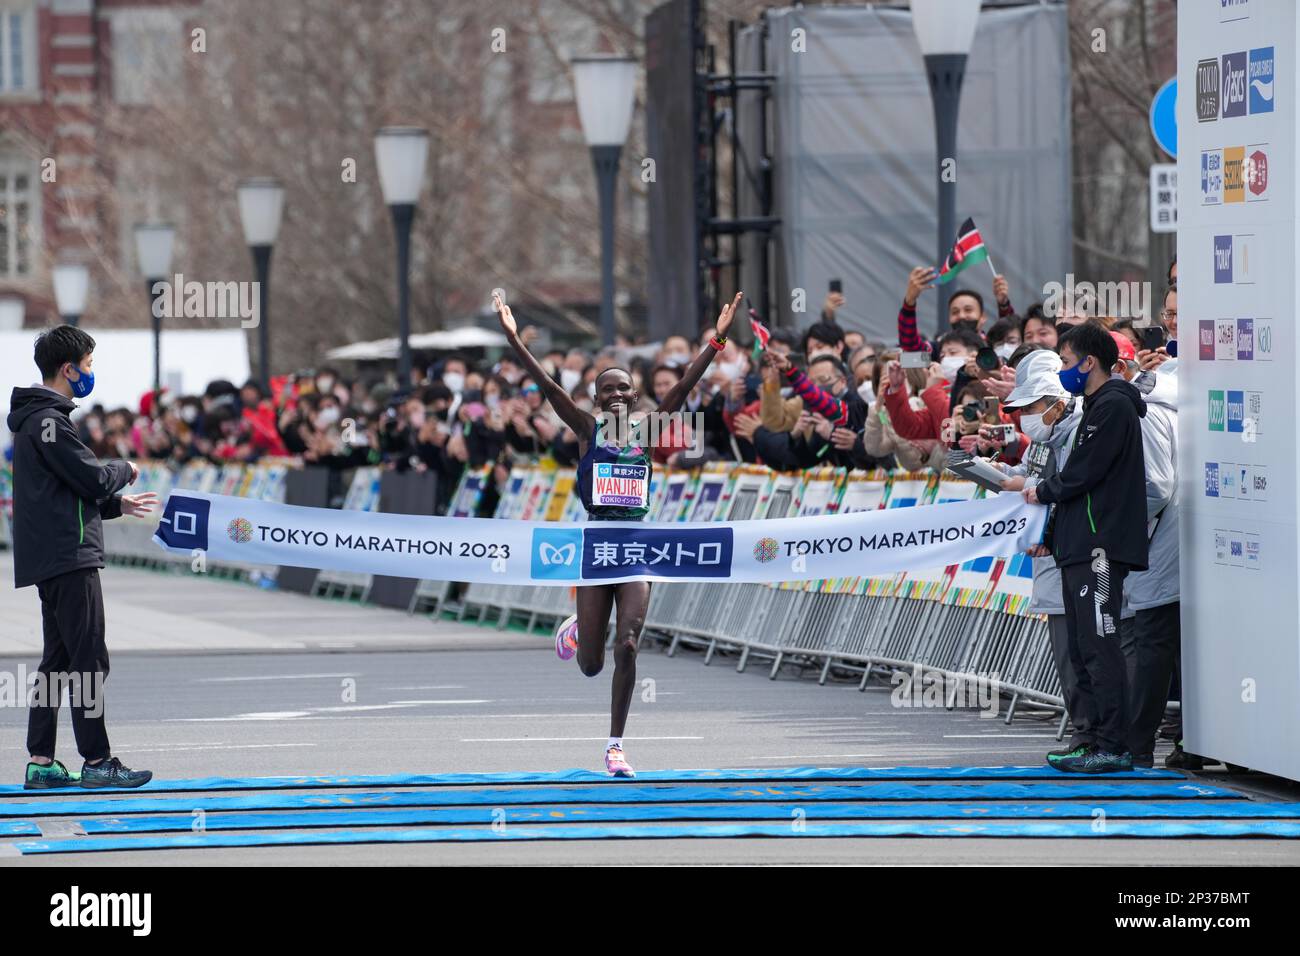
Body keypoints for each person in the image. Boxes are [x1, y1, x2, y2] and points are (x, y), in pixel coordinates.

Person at [496, 290, 742, 777]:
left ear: (634, 397)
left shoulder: (648, 429)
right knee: (590, 664)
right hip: (595, 547)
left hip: (637, 548)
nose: (614, 394)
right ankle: (575, 629)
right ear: (596, 400)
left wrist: (716, 341)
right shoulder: (587, 429)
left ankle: (615, 746)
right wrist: (513, 340)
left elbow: (684, 389)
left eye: (622, 388)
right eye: (605, 389)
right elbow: (548, 385)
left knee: (626, 643)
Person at [7, 326, 158, 789]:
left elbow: (61, 492)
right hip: (69, 558)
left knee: (57, 660)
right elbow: (91, 478)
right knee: (89, 660)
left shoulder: (38, 420)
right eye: (88, 366)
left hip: (52, 557)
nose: (91, 374)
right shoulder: (49, 421)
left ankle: (41, 761)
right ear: (68, 369)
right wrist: (125, 471)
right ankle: (97, 761)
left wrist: (115, 506)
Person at [1019, 323, 1149, 773]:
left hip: (1100, 547)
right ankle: (1090, 736)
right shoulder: (1096, 405)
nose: (1066, 372)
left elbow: (1085, 472)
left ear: (1089, 362)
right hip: (1079, 542)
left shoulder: (1112, 406)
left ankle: (1113, 743)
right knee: (1081, 644)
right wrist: (1050, 537)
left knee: (1100, 642)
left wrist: (1042, 489)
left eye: (1069, 362)